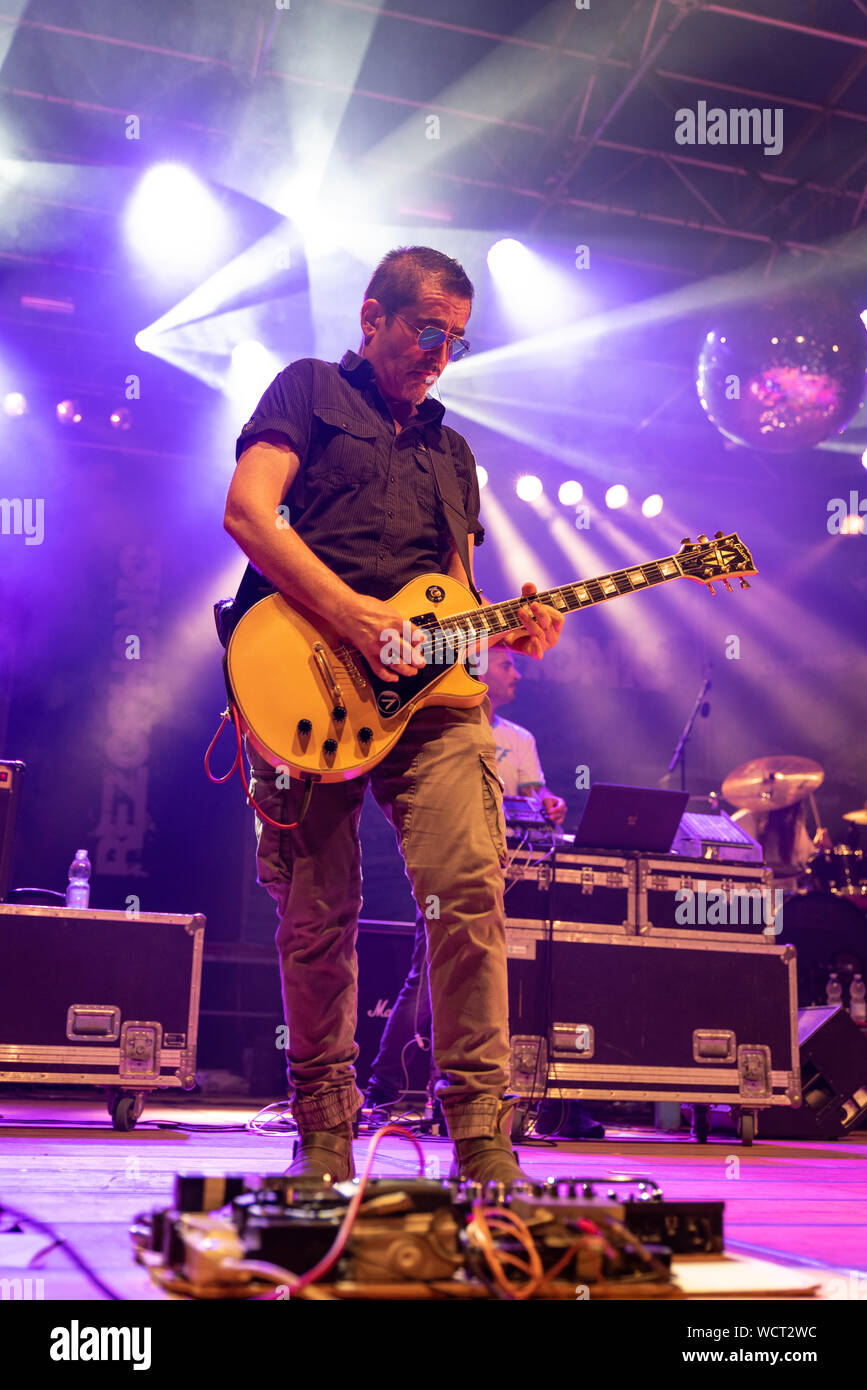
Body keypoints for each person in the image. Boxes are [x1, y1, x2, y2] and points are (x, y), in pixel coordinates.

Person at [222, 246, 564, 1183]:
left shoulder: (453, 452)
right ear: (372, 318)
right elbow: (250, 515)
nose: (438, 353)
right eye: (425, 331)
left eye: (455, 339)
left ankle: (481, 1139)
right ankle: (325, 1134)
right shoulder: (305, 392)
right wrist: (355, 618)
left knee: (469, 893)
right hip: (304, 682)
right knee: (317, 913)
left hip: (434, 709)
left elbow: (450, 592)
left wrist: (508, 630)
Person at [363, 645, 605, 1139]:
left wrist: (551, 804)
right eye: (506, 664)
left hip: (514, 864)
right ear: (477, 669)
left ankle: (549, 1102)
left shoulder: (521, 739)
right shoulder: (442, 722)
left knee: (532, 970)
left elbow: (537, 798)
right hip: (453, 854)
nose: (516, 673)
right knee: (427, 976)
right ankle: (382, 1094)